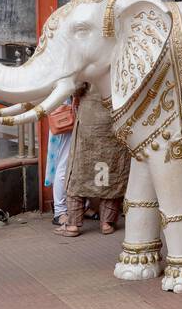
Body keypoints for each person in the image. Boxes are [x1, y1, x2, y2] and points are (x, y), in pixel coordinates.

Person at [56, 84, 131, 236]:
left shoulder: (91, 61)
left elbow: (77, 87)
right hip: (115, 118)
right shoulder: (120, 61)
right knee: (111, 171)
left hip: (89, 122)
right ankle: (106, 224)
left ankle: (73, 225)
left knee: (79, 173)